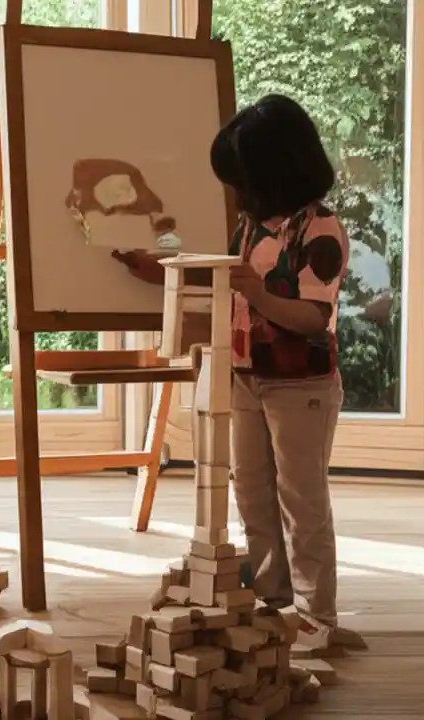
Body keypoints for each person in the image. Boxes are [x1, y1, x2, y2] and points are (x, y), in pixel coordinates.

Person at [114, 95, 358, 647]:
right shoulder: (251, 228)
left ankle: (317, 612)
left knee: (302, 497)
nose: (236, 192)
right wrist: (163, 273)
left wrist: (255, 288)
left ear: (274, 171)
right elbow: (230, 283)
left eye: (243, 179)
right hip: (245, 373)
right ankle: (273, 598)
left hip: (302, 385)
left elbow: (313, 319)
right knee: (250, 488)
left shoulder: (320, 231)